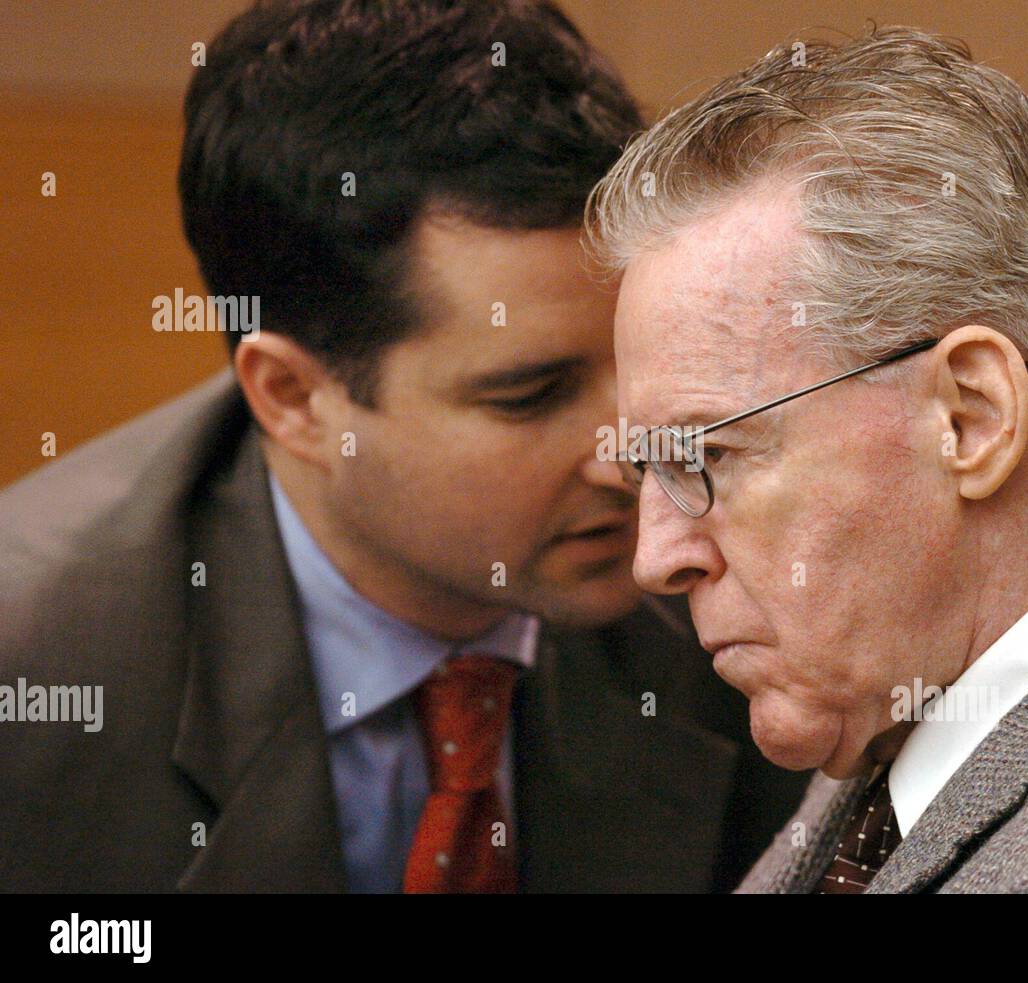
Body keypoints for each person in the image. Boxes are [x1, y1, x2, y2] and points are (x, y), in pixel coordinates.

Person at [0, 0, 808, 893]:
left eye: (637, 356)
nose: (638, 454)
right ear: (294, 398)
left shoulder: (769, 590)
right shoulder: (38, 690)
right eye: (529, 394)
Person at [588, 25, 1028, 892]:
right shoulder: (907, 695)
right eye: (645, 469)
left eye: (706, 454)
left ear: (971, 418)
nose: (654, 556)